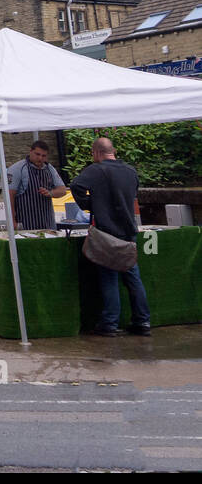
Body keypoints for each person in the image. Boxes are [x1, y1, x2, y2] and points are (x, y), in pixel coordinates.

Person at [71, 136, 150, 337]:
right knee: (133, 278)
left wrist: (90, 204)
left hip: (106, 233)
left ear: (96, 152)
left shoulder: (96, 170)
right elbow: (132, 196)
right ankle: (142, 321)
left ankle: (109, 323)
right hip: (128, 232)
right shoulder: (131, 172)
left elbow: (76, 186)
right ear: (113, 151)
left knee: (109, 279)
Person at [6, 140, 68, 230]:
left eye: (43, 156)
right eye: (37, 154)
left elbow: (62, 190)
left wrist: (50, 193)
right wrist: (12, 221)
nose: (40, 158)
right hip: (26, 225)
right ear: (30, 152)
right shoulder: (18, 169)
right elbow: (9, 196)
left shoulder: (49, 169)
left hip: (48, 225)